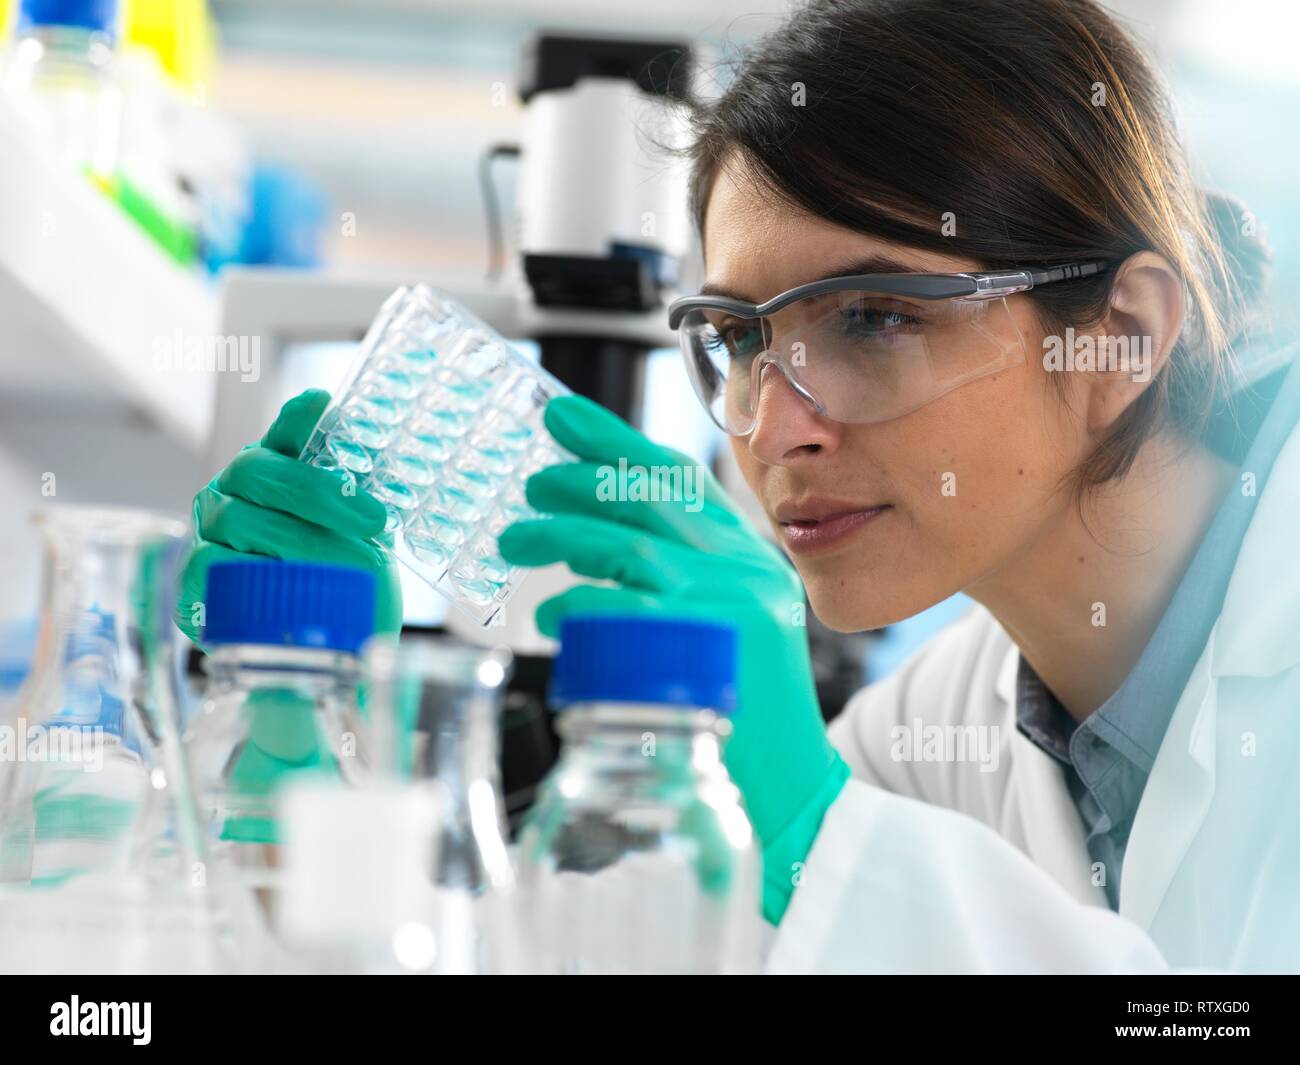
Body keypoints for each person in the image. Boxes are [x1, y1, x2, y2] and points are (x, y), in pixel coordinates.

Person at [178, 0, 1299, 972]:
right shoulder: (933, 735)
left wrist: (809, 830)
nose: (771, 427)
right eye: (737, 338)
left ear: (1117, 336)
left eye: (872, 319)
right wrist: (331, 724)